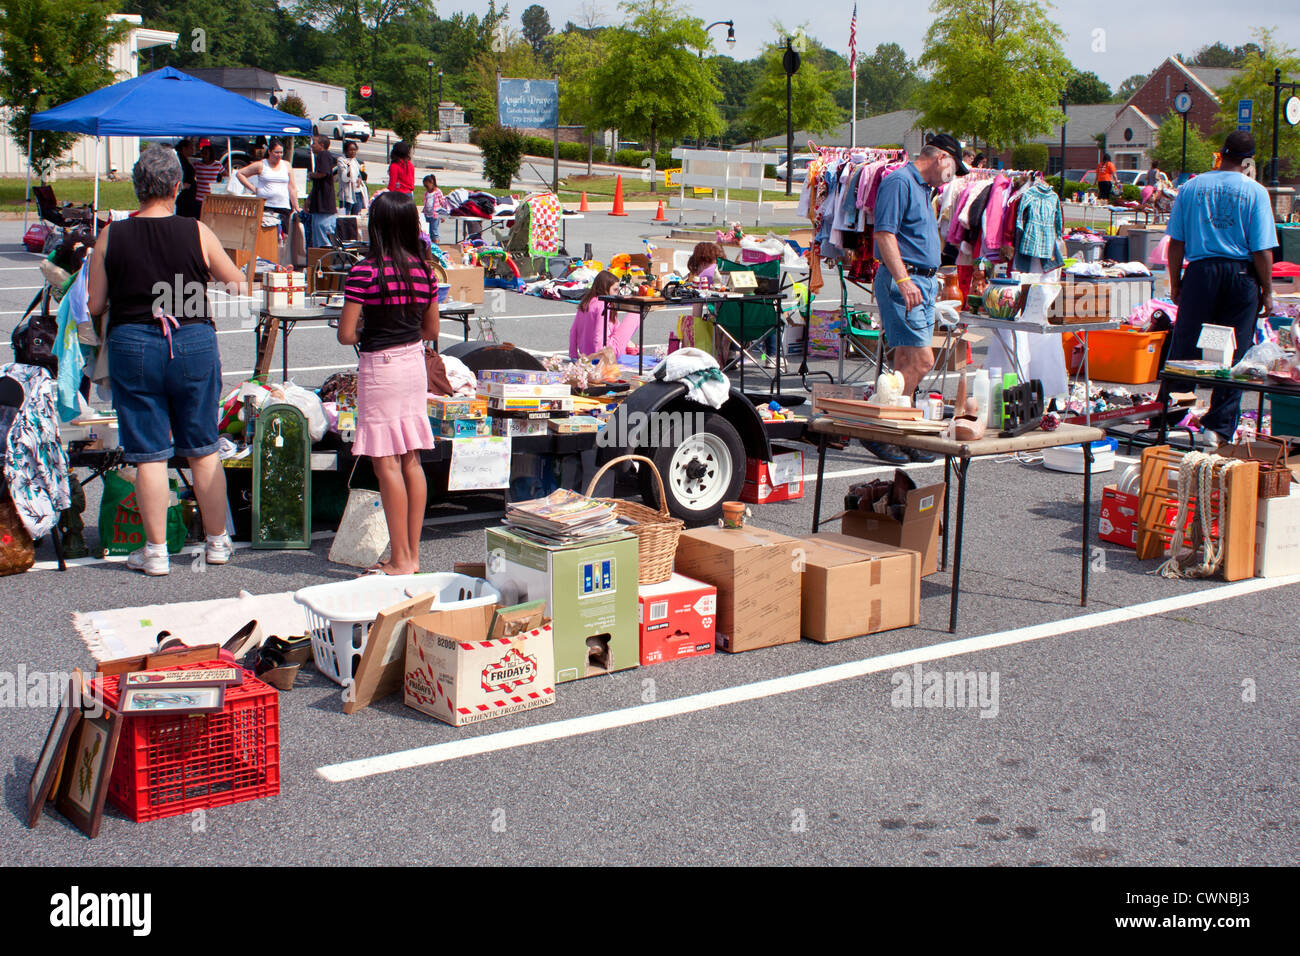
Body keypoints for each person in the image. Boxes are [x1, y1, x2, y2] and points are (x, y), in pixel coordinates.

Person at [85, 145, 247, 576]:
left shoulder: (111, 235)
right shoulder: (196, 231)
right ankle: (217, 542)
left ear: (138, 188)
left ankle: (155, 551)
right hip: (191, 340)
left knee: (149, 453)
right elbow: (237, 285)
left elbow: (96, 302)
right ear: (177, 186)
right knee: (203, 448)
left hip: (134, 340)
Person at [336, 191, 439, 575]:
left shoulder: (364, 271)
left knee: (386, 464)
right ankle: (411, 555)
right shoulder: (424, 270)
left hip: (380, 366)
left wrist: (366, 325)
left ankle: (399, 558)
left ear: (376, 225)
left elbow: (346, 334)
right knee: (411, 458)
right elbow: (431, 329)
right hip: (414, 363)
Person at [1163, 131, 1278, 447]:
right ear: (1247, 161)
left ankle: (1173, 417)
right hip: (1241, 275)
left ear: (1220, 154)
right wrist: (1267, 291)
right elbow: (1262, 250)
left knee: (1186, 346)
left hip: (1200, 272)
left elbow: (1176, 242)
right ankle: (1217, 427)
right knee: (1234, 352)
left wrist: (1175, 282)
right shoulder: (1255, 192)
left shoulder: (1192, 187)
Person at [868, 133, 966, 465]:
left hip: (919, 283)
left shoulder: (923, 188)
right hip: (906, 283)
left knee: (905, 364)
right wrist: (904, 279)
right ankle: (875, 423)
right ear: (941, 158)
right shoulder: (900, 181)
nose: (953, 175)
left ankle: (898, 433)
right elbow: (884, 234)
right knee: (923, 361)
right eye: (954, 166)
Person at [236, 139, 300, 236]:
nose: (279, 155)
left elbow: (292, 187)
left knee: (284, 236)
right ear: (269, 152)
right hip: (265, 206)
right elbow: (240, 173)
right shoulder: (261, 165)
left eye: (281, 152)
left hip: (283, 206)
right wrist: (253, 189)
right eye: (276, 152)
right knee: (265, 234)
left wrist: (296, 205)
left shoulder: (286, 165)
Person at [570, 271, 640, 358]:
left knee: (616, 326)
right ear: (605, 288)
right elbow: (599, 335)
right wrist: (600, 357)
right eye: (615, 290)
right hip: (605, 352)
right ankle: (632, 348)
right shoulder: (603, 304)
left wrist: (573, 355)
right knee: (636, 312)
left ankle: (632, 347)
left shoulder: (585, 303)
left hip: (586, 353)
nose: (617, 293)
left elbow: (573, 331)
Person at [306, 134, 338, 248]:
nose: (312, 146)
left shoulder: (323, 155)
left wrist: (311, 175)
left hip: (324, 205)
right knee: (317, 237)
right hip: (318, 205)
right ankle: (318, 261)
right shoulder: (321, 156)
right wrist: (309, 200)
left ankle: (326, 262)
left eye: (314, 143)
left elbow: (323, 173)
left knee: (322, 238)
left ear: (322, 145)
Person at [192, 144, 225, 212]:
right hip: (199, 197)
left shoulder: (217, 165)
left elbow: (225, 175)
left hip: (211, 197)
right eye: (202, 153)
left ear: (211, 154)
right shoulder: (197, 164)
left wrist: (219, 186)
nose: (203, 156)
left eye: (206, 154)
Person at [338, 139, 366, 215]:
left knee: (356, 215)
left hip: (357, 192)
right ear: (346, 151)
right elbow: (346, 178)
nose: (353, 152)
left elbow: (359, 173)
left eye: (354, 150)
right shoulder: (341, 160)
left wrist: (359, 178)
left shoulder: (355, 161)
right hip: (347, 193)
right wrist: (348, 165)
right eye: (350, 150)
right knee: (345, 216)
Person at [174, 139, 201, 218]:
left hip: (189, 196)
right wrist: (184, 185)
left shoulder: (184, 159)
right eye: (190, 147)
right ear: (184, 149)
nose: (193, 149)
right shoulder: (180, 161)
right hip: (184, 197)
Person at [422, 174, 450, 243]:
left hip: (435, 215)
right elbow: (426, 204)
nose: (427, 188)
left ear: (432, 183)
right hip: (427, 214)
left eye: (427, 186)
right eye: (425, 186)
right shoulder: (426, 193)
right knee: (428, 232)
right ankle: (430, 246)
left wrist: (443, 215)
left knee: (434, 232)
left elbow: (443, 203)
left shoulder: (437, 192)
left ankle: (436, 246)